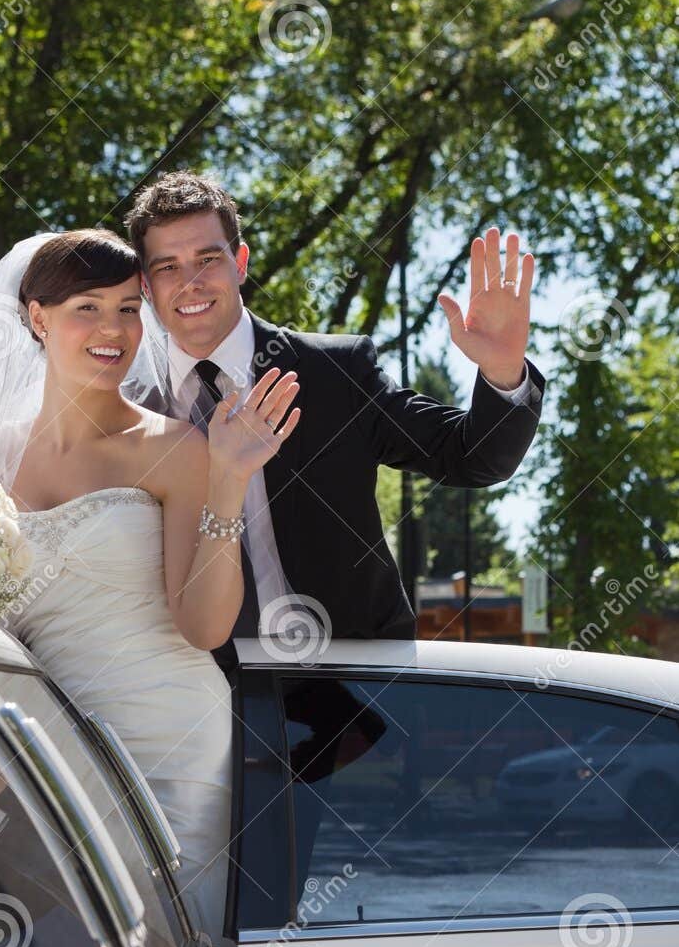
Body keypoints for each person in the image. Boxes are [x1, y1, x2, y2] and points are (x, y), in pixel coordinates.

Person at [0, 229, 300, 939]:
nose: (113, 330)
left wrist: (228, 481)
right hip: (56, 741)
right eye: (87, 308)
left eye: (129, 309)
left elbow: (204, 628)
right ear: (36, 317)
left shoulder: (172, 448)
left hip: (171, 731)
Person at [121, 170, 546, 676]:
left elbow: (472, 457)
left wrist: (502, 373)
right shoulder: (133, 410)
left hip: (355, 695)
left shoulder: (335, 373)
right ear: (146, 286)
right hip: (198, 693)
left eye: (208, 259)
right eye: (167, 267)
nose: (190, 282)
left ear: (240, 262)